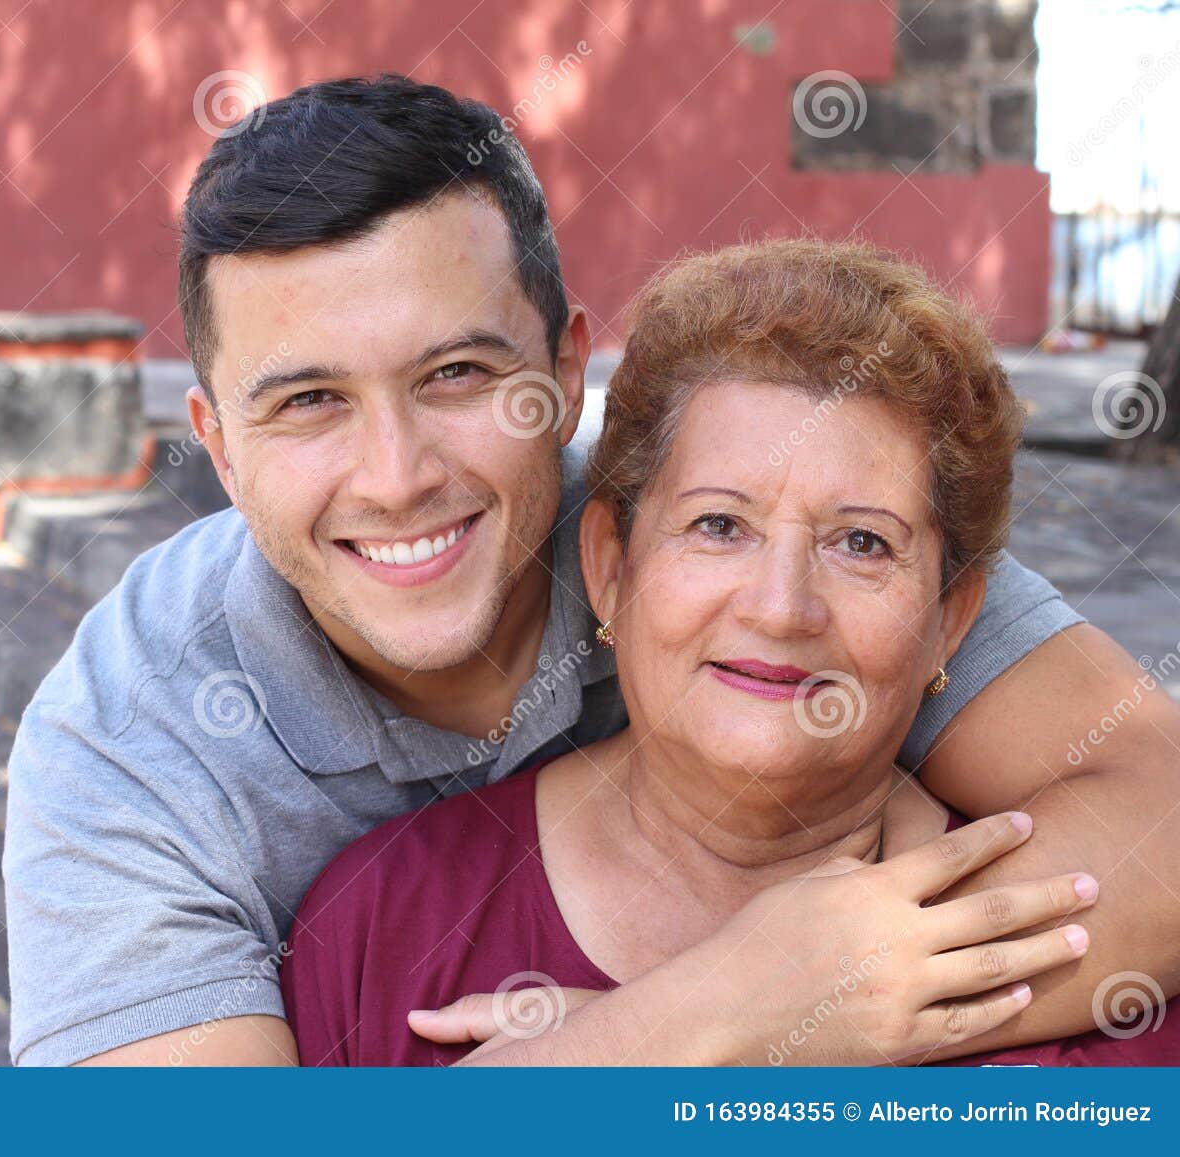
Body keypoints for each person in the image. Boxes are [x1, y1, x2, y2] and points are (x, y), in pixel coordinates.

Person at [1, 76, 1180, 1067]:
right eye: (310, 401)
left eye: (458, 373)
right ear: (217, 444)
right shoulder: (131, 743)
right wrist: (694, 1024)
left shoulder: (731, 512)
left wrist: (826, 1019)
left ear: (566, 370)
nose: (397, 473)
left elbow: (1160, 816)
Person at [279, 239, 1179, 1066]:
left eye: (862, 543)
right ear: (609, 570)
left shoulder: (1104, 981)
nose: (782, 608)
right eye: (718, 524)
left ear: (950, 619)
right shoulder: (380, 926)